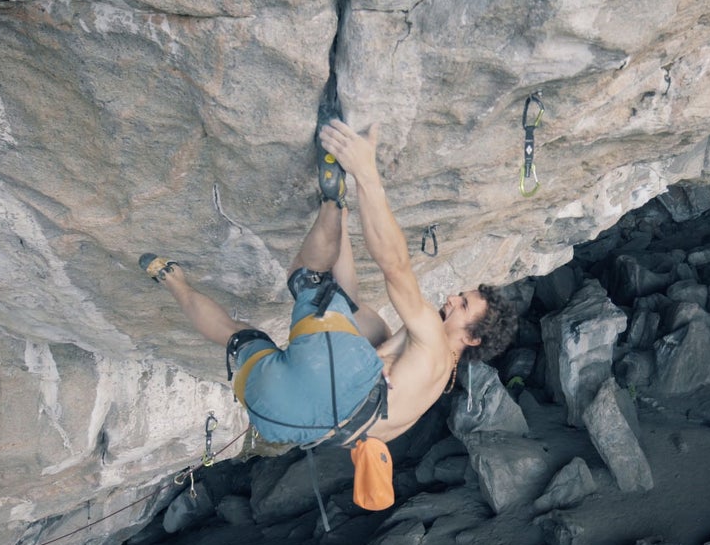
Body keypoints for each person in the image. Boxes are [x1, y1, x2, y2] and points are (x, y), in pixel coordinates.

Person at [140, 119, 518, 451]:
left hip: (333, 380)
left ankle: (329, 208)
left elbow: (397, 269)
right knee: (240, 336)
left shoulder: (433, 339)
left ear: (472, 339)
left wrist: (365, 175)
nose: (452, 298)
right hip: (287, 421)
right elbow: (347, 300)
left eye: (464, 306)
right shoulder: (431, 382)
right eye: (462, 295)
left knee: (311, 280)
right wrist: (346, 220)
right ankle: (171, 279)